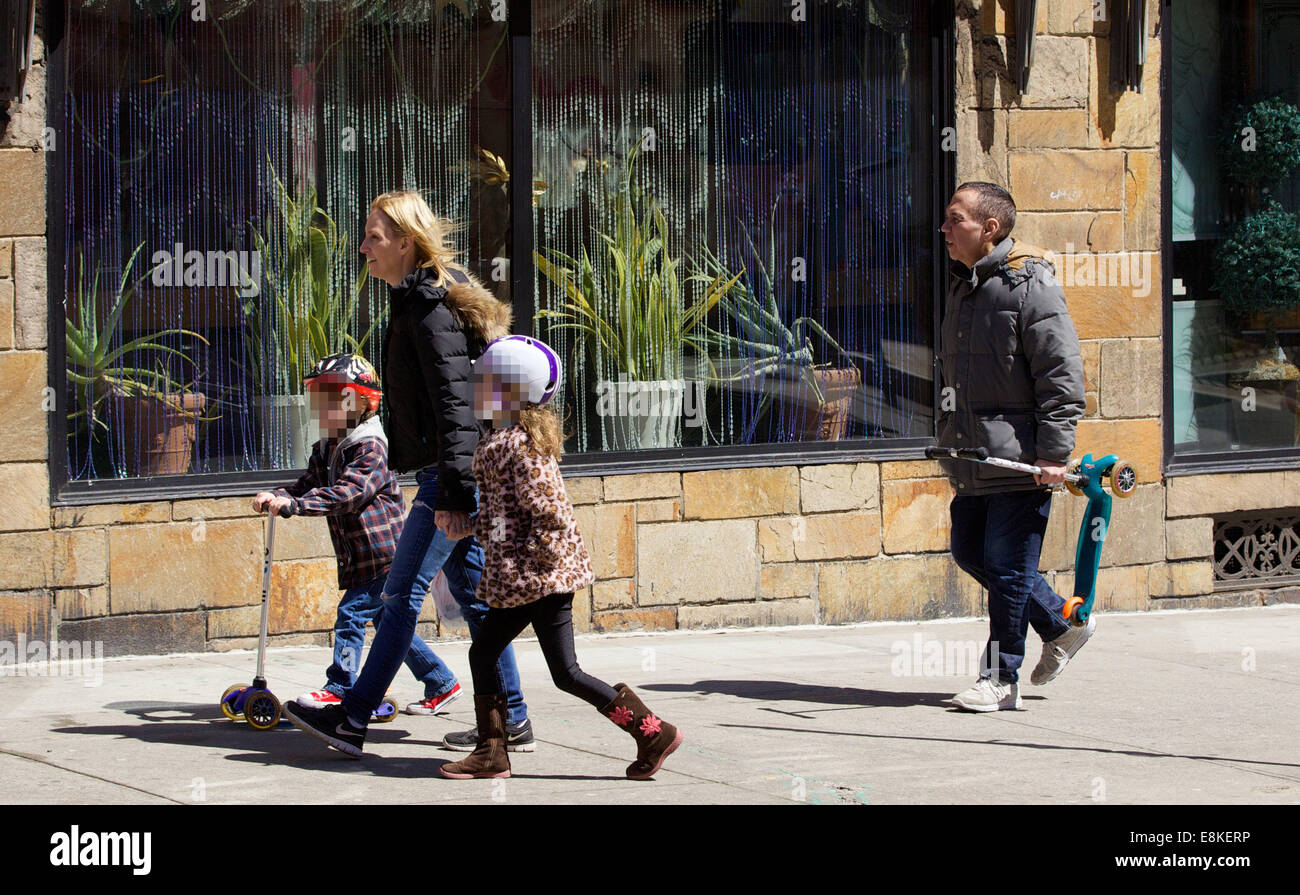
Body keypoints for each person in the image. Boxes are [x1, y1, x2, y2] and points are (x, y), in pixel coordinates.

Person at [284, 191, 534, 756]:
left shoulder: (430, 309)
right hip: (445, 475)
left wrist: (454, 495)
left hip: (446, 479)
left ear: (404, 242)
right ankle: (512, 717)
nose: (364, 246)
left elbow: (456, 409)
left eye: (374, 236)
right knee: (474, 598)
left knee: (398, 596)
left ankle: (350, 719)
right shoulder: (412, 299)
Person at [439, 336, 683, 780]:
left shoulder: (520, 447)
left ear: (508, 391)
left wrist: (508, 548)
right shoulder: (504, 441)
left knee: (557, 671)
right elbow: (505, 514)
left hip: (541, 579)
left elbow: (548, 514)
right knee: (506, 658)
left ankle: (652, 733)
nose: (474, 387)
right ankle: (493, 752)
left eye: (482, 380)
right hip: (531, 577)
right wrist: (470, 527)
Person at [936, 181, 1093, 713]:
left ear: (990, 228)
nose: (944, 230)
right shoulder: (966, 286)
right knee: (970, 552)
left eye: (955, 219)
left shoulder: (1031, 286)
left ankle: (1001, 679)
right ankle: (1059, 624)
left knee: (1006, 570)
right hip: (974, 456)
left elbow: (1062, 377)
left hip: (1019, 460)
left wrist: (1053, 454)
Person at [253, 353, 457, 718]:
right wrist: (283, 495)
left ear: (361, 402)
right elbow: (310, 484)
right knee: (387, 623)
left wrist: (297, 506)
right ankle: (440, 681)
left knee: (352, 613)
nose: (323, 407)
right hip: (361, 554)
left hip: (385, 552)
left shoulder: (371, 446)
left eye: (333, 399)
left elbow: (349, 493)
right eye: (319, 398)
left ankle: (342, 685)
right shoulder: (330, 445)